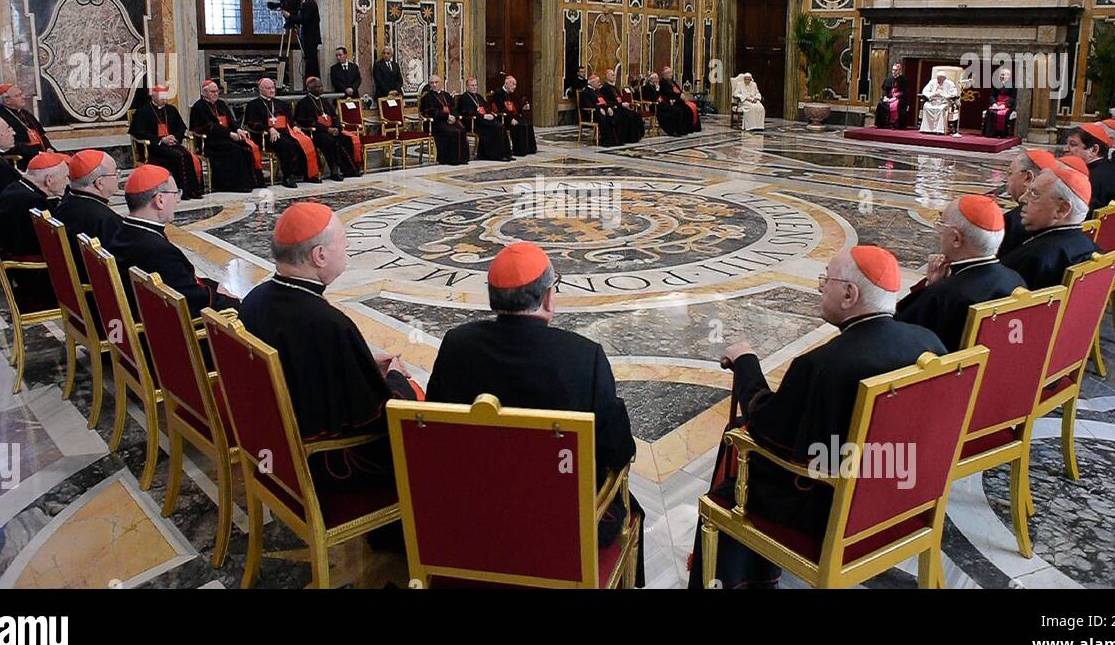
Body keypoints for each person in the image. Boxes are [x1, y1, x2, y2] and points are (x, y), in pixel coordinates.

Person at [688, 246, 947, 588]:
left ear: (849, 294)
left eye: (827, 279)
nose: (820, 286)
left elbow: (766, 425)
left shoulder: (823, 365)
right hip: (907, 491)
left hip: (831, 510)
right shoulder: (931, 343)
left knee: (737, 447)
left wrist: (746, 361)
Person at [427, 242, 643, 567]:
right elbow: (619, 450)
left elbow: (435, 430)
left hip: (473, 517)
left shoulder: (456, 345)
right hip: (563, 528)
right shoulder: (584, 357)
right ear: (547, 298)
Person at [240, 202, 422, 496]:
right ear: (319, 255)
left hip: (271, 450)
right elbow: (377, 417)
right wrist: (398, 379)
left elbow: (305, 366)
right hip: (325, 466)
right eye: (344, 242)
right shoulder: (328, 324)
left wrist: (360, 361)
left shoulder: (255, 299)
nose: (348, 247)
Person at [106, 164, 240, 318]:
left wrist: (214, 287)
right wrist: (233, 302)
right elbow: (193, 301)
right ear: (160, 200)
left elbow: (179, 281)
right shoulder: (158, 250)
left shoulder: (126, 232)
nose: (178, 201)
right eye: (176, 194)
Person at [895, 195, 1026, 349]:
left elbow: (898, 334)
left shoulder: (942, 296)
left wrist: (930, 287)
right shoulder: (1015, 279)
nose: (939, 232)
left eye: (941, 224)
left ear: (956, 238)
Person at [0, 151, 69, 307]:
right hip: (33, 277)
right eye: (65, 177)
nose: (67, 182)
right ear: (49, 180)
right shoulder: (33, 202)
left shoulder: (17, 187)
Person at [1000, 164, 1098, 290]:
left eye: (1034, 194)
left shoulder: (1036, 258)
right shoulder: (1089, 245)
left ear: (1062, 209)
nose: (1022, 198)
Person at [130, 85, 204, 200]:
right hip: (154, 147)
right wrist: (161, 140)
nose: (164, 100)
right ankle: (181, 191)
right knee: (177, 156)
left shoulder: (171, 109)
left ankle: (193, 191)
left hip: (172, 143)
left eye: (165, 97)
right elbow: (138, 133)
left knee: (187, 155)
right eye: (161, 97)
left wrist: (174, 137)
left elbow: (181, 128)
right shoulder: (143, 111)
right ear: (153, 95)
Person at [53, 149, 123, 269]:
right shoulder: (106, 219)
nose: (118, 177)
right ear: (99, 183)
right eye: (115, 173)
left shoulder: (66, 203)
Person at [189, 80, 264, 192]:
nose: (216, 94)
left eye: (217, 91)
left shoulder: (221, 104)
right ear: (204, 93)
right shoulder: (199, 107)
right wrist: (229, 134)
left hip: (227, 137)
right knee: (235, 149)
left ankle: (251, 182)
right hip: (210, 141)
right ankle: (231, 185)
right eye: (212, 92)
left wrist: (238, 129)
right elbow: (210, 127)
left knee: (246, 148)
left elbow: (231, 121)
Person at [245, 77, 318, 189]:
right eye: (268, 88)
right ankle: (288, 176)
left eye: (273, 87)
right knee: (285, 144)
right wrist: (269, 128)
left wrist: (294, 127)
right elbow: (252, 124)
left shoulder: (281, 103)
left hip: (285, 133)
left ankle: (307, 174)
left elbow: (289, 119)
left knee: (303, 142)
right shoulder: (254, 105)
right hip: (266, 137)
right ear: (261, 90)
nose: (272, 90)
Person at [295, 77, 356, 180]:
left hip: (331, 130)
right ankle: (334, 170)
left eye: (321, 86)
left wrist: (336, 127)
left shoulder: (325, 101)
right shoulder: (304, 103)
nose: (321, 89)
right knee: (329, 141)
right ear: (310, 89)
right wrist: (326, 129)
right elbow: (306, 121)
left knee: (346, 139)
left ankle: (349, 169)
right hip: (316, 133)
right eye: (318, 87)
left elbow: (334, 117)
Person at [998, 148, 1054, 258]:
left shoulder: (1013, 220)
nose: (1006, 179)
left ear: (1028, 178)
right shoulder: (1053, 216)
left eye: (1010, 173)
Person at [1064, 122, 1115, 212]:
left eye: (1073, 144)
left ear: (1094, 150)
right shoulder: (1113, 169)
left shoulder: (1089, 180)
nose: (1065, 149)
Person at [0, 83, 54, 166]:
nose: (23, 97)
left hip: (42, 155)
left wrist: (48, 148)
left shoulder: (25, 113)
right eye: (18, 95)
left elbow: (42, 136)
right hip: (25, 161)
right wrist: (38, 152)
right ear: (7, 100)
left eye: (21, 94)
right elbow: (9, 146)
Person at [419, 74, 469, 165]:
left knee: (461, 130)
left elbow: (453, 108)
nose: (434, 85)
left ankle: (462, 158)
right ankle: (449, 159)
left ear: (441, 83)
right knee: (451, 131)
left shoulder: (446, 95)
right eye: (432, 83)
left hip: (449, 120)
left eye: (436, 82)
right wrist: (446, 116)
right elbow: (430, 112)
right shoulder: (427, 97)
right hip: (435, 123)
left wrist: (454, 117)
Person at [457, 77, 510, 161]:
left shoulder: (479, 96)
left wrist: (490, 114)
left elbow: (487, 107)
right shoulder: (464, 98)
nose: (474, 87)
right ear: (467, 87)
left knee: (501, 126)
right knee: (496, 128)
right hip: (474, 122)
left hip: (484, 121)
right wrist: (483, 116)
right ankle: (495, 155)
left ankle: (506, 153)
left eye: (475, 85)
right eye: (472, 85)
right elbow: (466, 112)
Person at [491, 74, 536, 156]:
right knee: (520, 126)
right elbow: (501, 109)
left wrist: (523, 108)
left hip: (512, 116)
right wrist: (510, 119)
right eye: (513, 84)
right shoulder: (498, 93)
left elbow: (513, 108)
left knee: (528, 124)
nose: (515, 87)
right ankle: (519, 151)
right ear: (506, 83)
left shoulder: (510, 94)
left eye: (515, 85)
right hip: (503, 118)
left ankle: (529, 149)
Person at [284, 0, 321, 82]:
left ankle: (311, 82)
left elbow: (303, 19)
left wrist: (289, 17)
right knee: (309, 60)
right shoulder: (305, 3)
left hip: (311, 38)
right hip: (308, 37)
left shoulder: (309, 3)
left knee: (311, 62)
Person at [602, 68, 645, 143]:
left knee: (636, 115)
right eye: (612, 75)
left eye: (614, 75)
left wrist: (626, 103)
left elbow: (621, 98)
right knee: (628, 116)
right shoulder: (604, 88)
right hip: (615, 109)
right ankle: (627, 138)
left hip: (621, 107)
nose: (614, 76)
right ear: (607, 76)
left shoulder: (615, 87)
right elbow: (608, 101)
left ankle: (636, 136)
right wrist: (621, 104)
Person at [658, 66, 700, 135]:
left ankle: (691, 128)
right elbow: (668, 93)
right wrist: (679, 95)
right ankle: (681, 130)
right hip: (671, 100)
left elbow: (679, 89)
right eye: (669, 73)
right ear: (665, 74)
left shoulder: (672, 82)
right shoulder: (662, 82)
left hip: (678, 99)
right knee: (682, 110)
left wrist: (681, 93)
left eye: (671, 72)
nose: (671, 74)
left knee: (691, 107)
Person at [580, 74, 619, 147]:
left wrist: (608, 107)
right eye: (598, 82)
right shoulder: (586, 92)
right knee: (604, 119)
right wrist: (599, 109)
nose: (599, 83)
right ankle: (605, 141)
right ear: (592, 83)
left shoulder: (597, 91)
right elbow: (587, 104)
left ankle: (614, 140)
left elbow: (604, 101)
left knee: (613, 116)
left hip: (600, 111)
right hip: (591, 113)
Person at [919, 69, 957, 135]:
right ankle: (927, 129)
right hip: (932, 101)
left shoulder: (950, 83)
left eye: (941, 79)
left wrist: (942, 95)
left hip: (944, 102)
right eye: (938, 78)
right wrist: (932, 94)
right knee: (926, 106)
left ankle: (940, 129)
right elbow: (924, 91)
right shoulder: (932, 82)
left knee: (941, 109)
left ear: (945, 78)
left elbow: (954, 94)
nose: (939, 80)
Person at [985, 67, 1018, 138]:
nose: (1001, 76)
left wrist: (1004, 105)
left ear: (1008, 76)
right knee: (991, 112)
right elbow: (993, 96)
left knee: (1003, 114)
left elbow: (1012, 98)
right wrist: (994, 103)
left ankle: (1002, 134)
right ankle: (991, 133)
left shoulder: (1013, 85)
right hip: (997, 104)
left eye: (1003, 75)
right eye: (1001, 75)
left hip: (1007, 105)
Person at [876, 63, 909, 129]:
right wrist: (885, 96)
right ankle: (883, 124)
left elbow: (904, 92)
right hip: (889, 97)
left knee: (897, 105)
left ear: (900, 71)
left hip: (899, 99)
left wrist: (894, 98)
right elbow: (885, 90)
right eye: (893, 70)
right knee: (881, 104)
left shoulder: (904, 80)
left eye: (896, 70)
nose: (894, 72)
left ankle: (896, 124)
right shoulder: (888, 79)